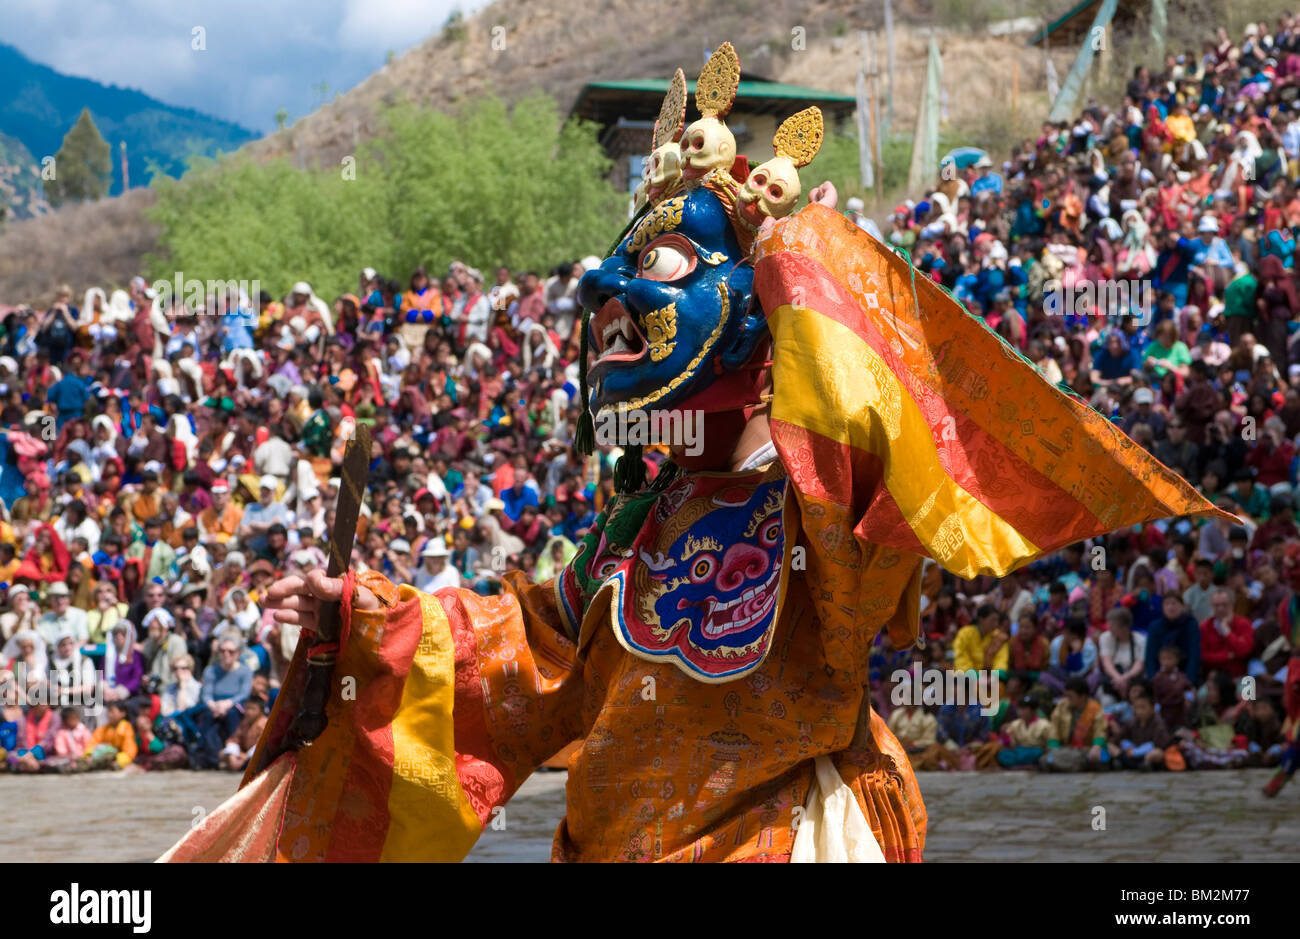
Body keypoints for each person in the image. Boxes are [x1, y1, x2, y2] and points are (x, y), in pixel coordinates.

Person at [163, 42, 1220, 863]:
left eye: (662, 262)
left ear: (762, 309)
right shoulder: (642, 522)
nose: (610, 295)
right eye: (616, 267)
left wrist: (795, 262)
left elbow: (882, 408)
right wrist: (362, 614)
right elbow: (528, 654)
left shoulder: (829, 507)